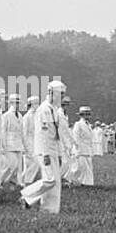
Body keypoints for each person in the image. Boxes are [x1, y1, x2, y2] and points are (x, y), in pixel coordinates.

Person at [20, 80, 67, 214]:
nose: (62, 97)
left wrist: (58, 154)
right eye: (60, 94)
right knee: (49, 179)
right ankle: (26, 196)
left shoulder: (54, 110)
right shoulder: (43, 110)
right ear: (52, 93)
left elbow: (56, 134)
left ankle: (49, 209)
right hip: (44, 150)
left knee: (56, 182)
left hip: (53, 149)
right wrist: (46, 154)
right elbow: (43, 134)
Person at [69, 106, 95, 185]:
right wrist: (77, 148)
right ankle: (73, 180)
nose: (87, 116)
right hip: (80, 148)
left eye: (88, 114)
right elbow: (75, 137)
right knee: (79, 166)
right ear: (81, 115)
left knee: (87, 166)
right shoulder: (78, 124)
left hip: (87, 149)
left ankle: (87, 182)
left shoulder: (89, 125)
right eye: (85, 114)